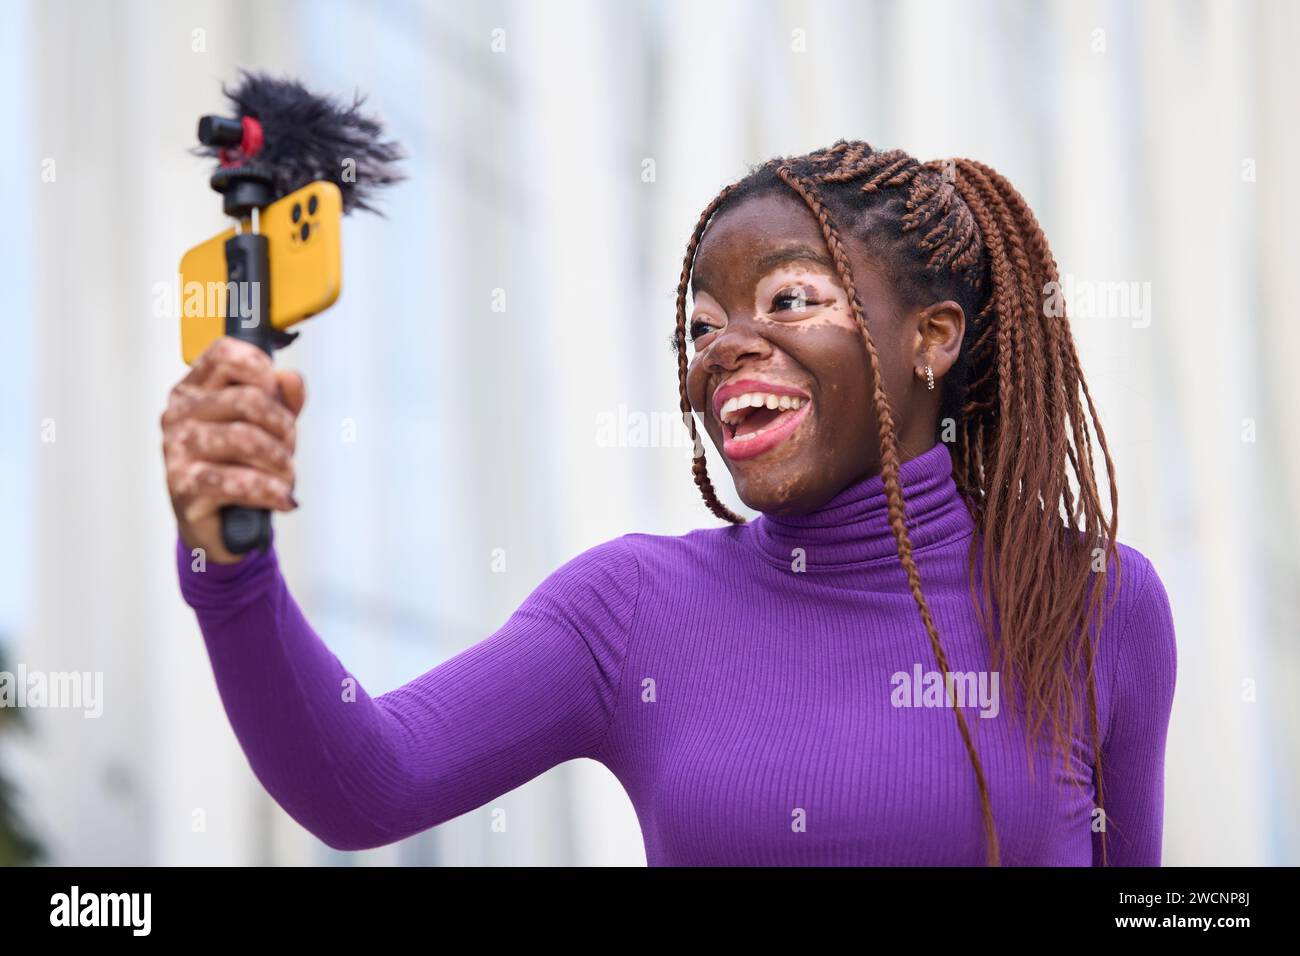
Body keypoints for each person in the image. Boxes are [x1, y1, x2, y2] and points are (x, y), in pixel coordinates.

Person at [162, 140, 1176, 866]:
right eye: (701, 324)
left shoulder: (1092, 596)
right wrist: (230, 568)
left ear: (933, 336)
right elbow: (363, 784)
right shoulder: (632, 607)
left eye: (789, 299)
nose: (724, 347)